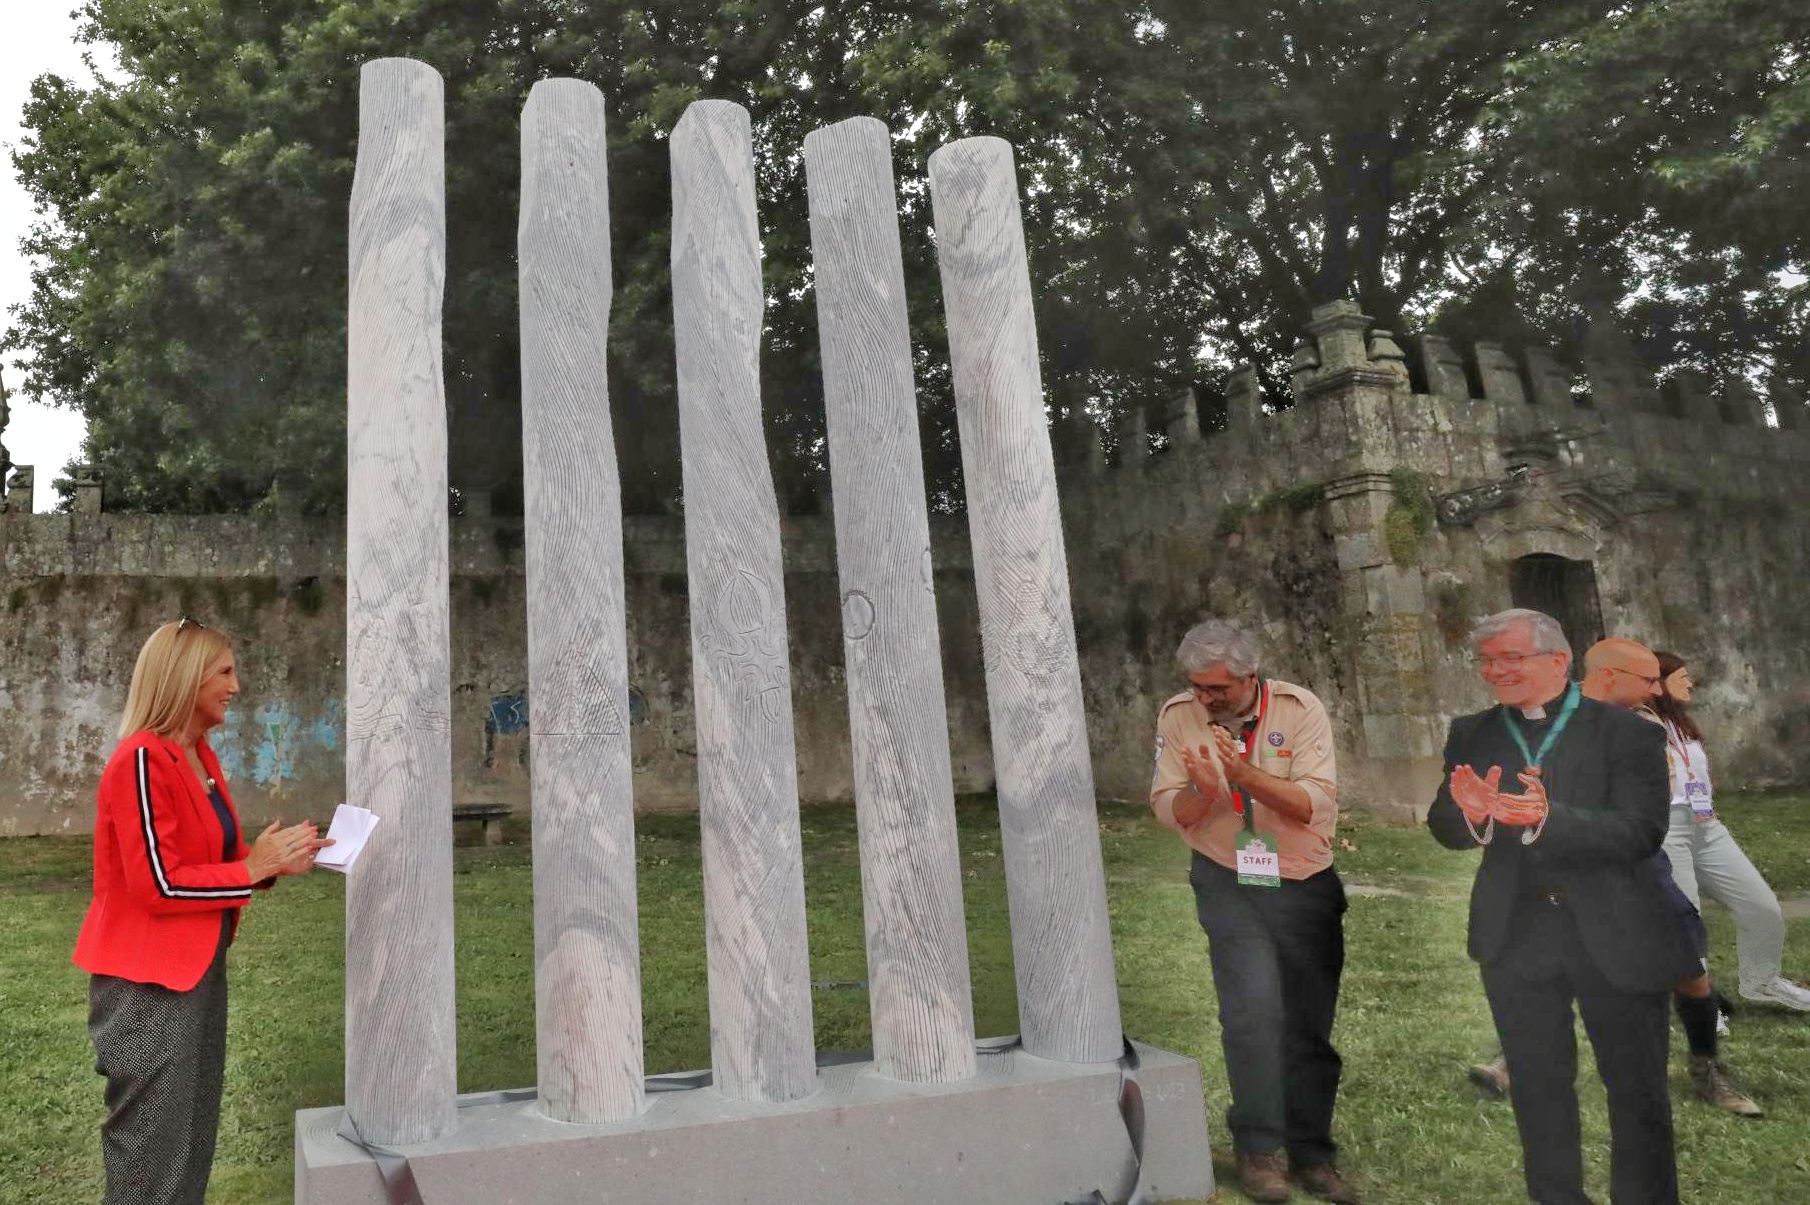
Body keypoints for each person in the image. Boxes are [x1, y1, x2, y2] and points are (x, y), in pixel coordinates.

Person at [1429, 610, 1698, 1205]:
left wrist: (1549, 819)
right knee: (1537, 1086)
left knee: (1637, 1090)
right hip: (1517, 932)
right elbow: (1443, 823)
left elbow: (1641, 832)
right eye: (1487, 661)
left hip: (1618, 929)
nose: (1495, 671)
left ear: (1558, 659)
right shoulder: (1472, 731)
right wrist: (1471, 813)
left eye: (1510, 658)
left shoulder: (1627, 733)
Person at [72, 618, 331, 1204]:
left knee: (189, 1138)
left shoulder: (198, 757)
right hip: (146, 988)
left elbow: (203, 856)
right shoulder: (140, 760)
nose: (236, 685)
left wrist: (272, 860)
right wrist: (249, 870)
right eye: (224, 671)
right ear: (185, 678)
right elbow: (157, 884)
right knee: (149, 1149)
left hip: (196, 970)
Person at [1149, 618, 1356, 1204]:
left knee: (1307, 1024)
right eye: (1198, 687)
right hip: (1226, 878)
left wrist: (1241, 775)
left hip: (1301, 878)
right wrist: (1204, 791)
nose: (1206, 700)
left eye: (1219, 689)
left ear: (1251, 676)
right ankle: (1259, 1150)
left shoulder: (1300, 708)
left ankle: (1314, 1152)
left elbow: (1310, 803)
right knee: (1250, 1016)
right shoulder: (1177, 715)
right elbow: (1170, 810)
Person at [1654, 651, 1810, 1012]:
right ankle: (1703, 1005)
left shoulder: (1682, 724)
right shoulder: (1636, 724)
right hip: (1667, 830)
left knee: (1762, 906)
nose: (1690, 683)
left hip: (1707, 828)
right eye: (1681, 677)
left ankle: (1761, 982)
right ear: (1657, 683)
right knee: (1686, 920)